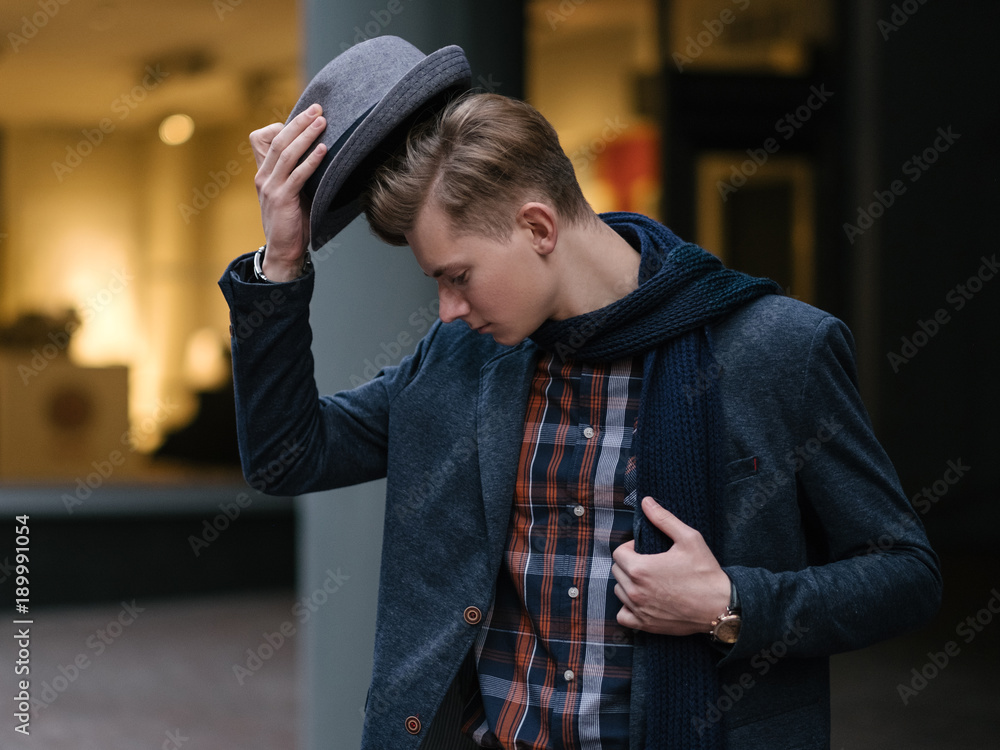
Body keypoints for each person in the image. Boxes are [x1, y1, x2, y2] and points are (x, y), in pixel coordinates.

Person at [219, 37, 940, 750]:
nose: (447, 308)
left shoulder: (775, 350)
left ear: (537, 225)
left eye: (457, 276)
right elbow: (288, 457)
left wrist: (731, 605)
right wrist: (279, 264)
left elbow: (905, 574)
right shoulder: (458, 359)